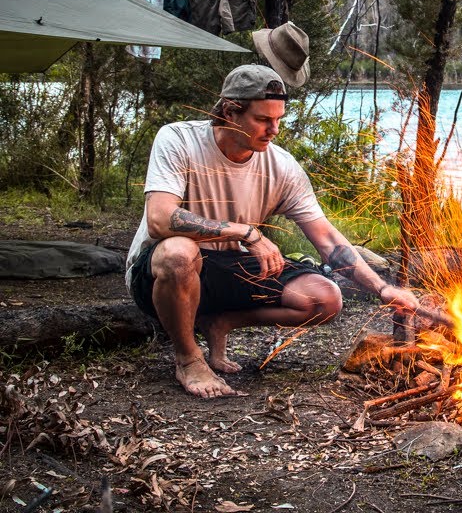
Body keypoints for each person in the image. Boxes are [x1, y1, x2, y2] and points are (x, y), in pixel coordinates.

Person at [125, 64, 424, 398]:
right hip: (158, 273)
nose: (274, 129)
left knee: (324, 298)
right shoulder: (179, 139)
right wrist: (246, 233)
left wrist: (382, 288)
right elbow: (160, 218)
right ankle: (189, 359)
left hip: (229, 272)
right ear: (230, 111)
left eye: (278, 119)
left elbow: (326, 239)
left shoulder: (280, 166)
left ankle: (220, 322)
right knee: (179, 252)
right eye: (263, 120)